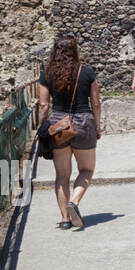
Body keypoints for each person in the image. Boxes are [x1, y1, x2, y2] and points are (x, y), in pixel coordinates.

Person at [37, 34, 101, 230]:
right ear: (75, 51)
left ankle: (65, 218)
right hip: (83, 124)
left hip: (59, 126)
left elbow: (43, 105)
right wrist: (97, 126)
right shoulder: (87, 72)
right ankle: (74, 201)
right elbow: (96, 103)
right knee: (87, 170)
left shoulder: (46, 74)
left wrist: (42, 129)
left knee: (62, 175)